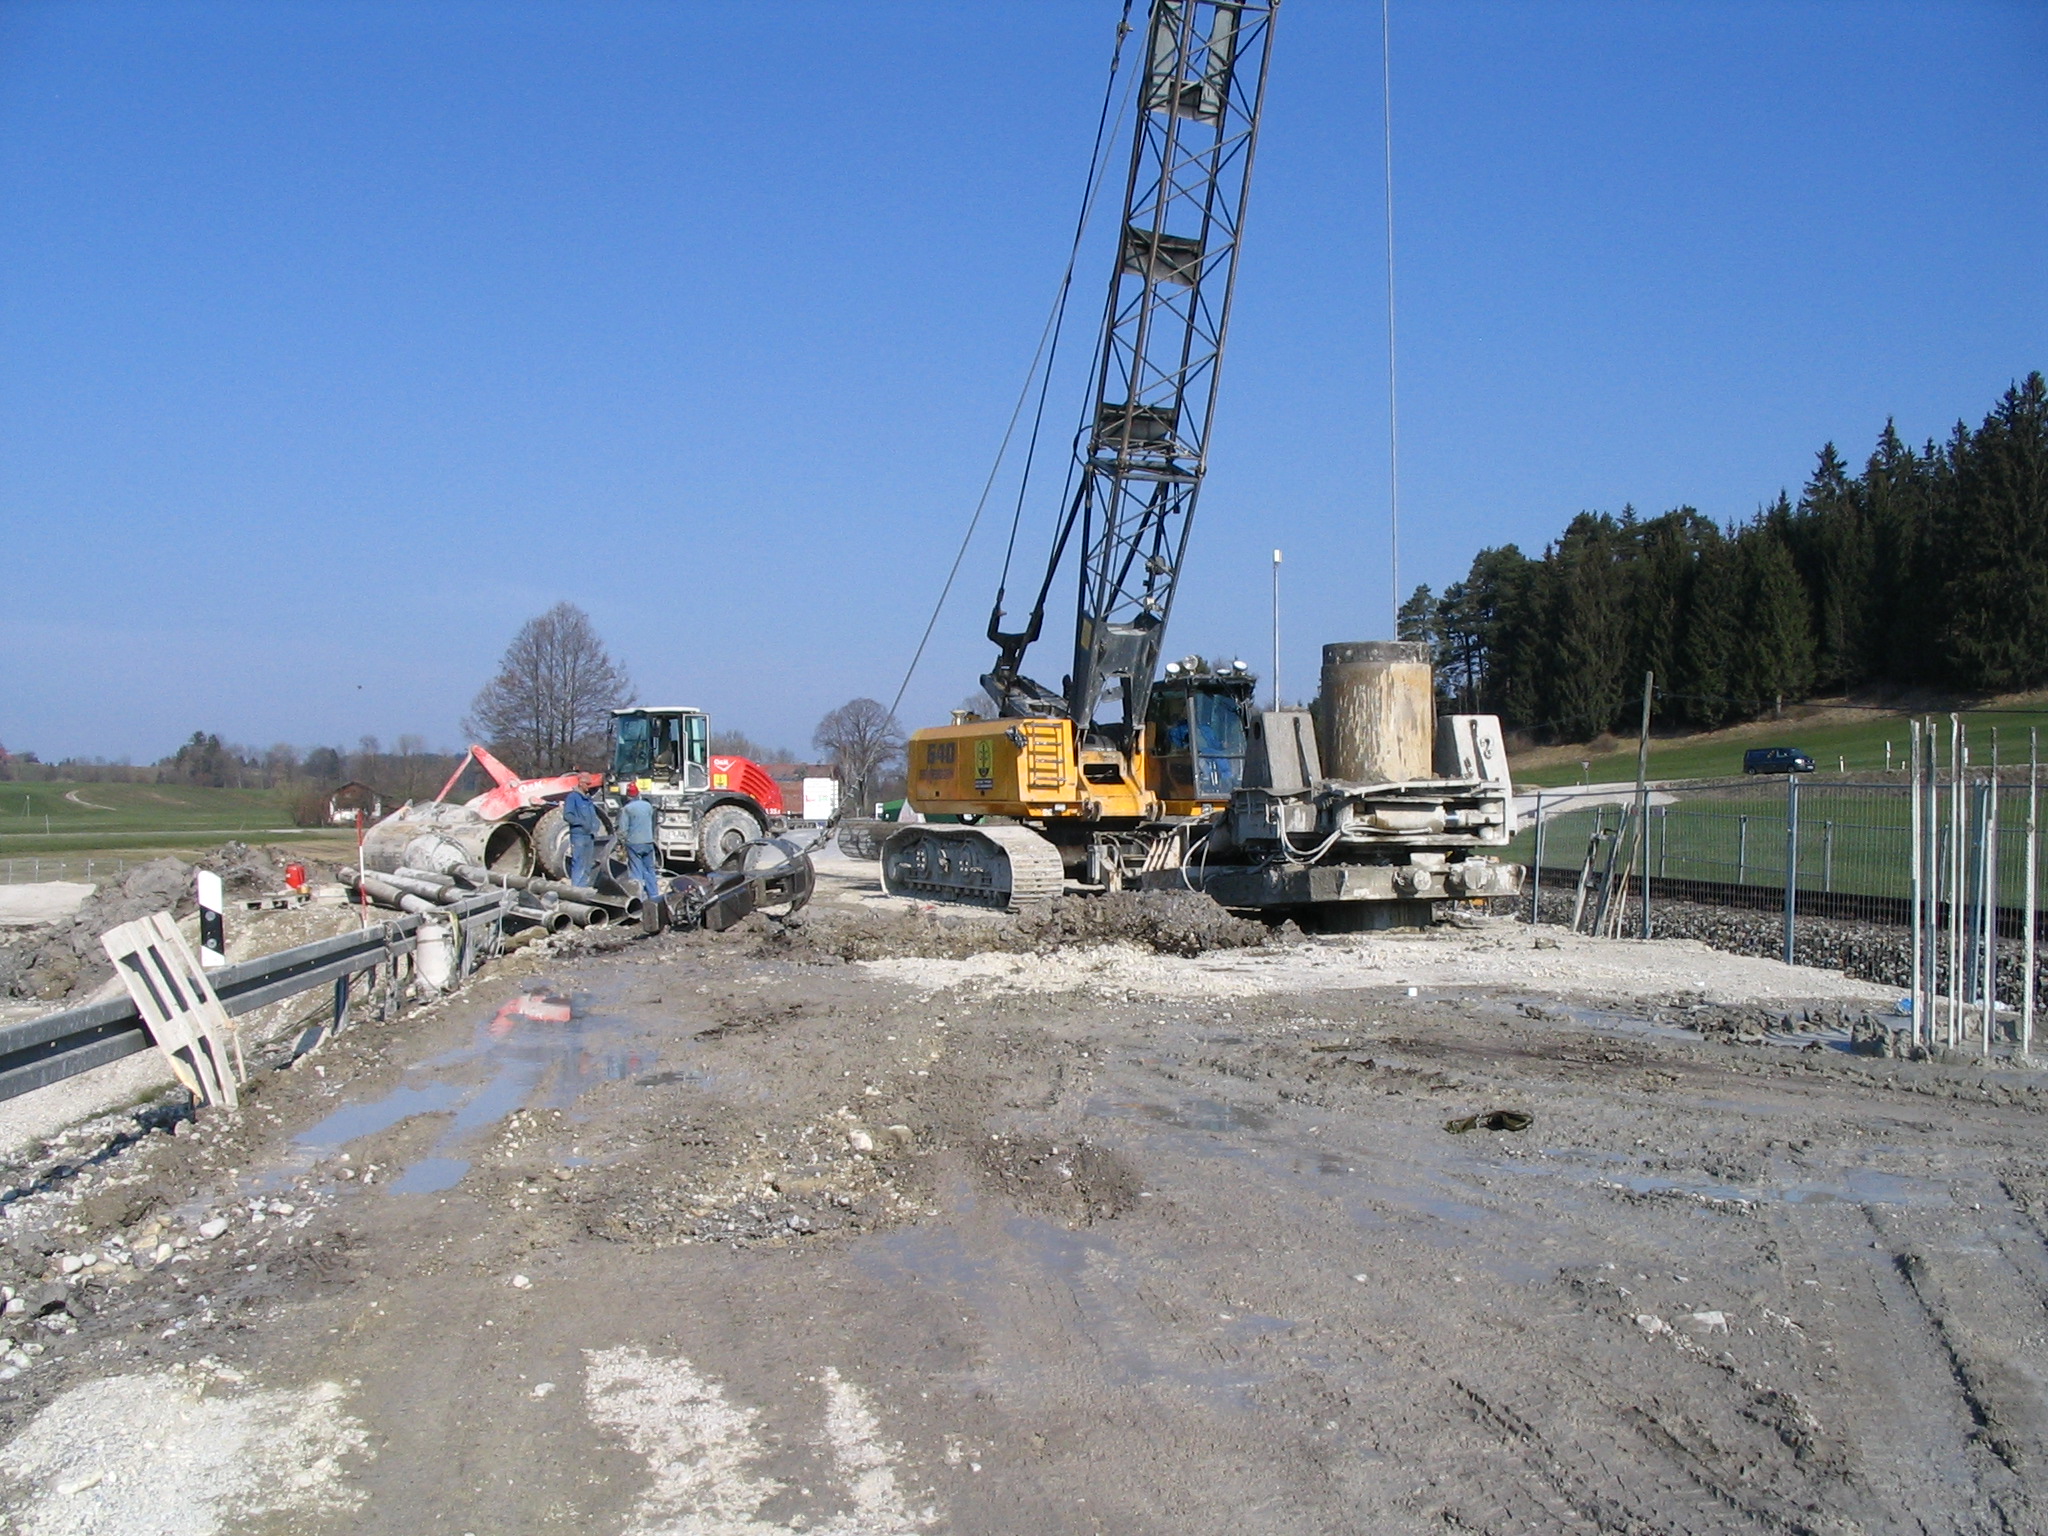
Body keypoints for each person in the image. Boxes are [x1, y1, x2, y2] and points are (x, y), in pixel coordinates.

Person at [618, 781, 660, 902]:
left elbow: (622, 830)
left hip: (634, 843)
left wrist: (621, 843)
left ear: (628, 796)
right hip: (648, 842)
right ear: (638, 793)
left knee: (636, 871)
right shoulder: (648, 806)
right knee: (650, 870)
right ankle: (654, 896)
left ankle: (638, 898)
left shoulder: (627, 809)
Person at [560, 772, 602, 889]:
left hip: (589, 835)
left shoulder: (588, 799)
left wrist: (596, 825)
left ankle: (584, 887)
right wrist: (582, 823)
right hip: (579, 835)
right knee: (578, 862)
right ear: (581, 783)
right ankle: (576, 888)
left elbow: (593, 815)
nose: (589, 787)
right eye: (587, 784)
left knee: (588, 863)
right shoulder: (573, 797)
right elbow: (568, 815)